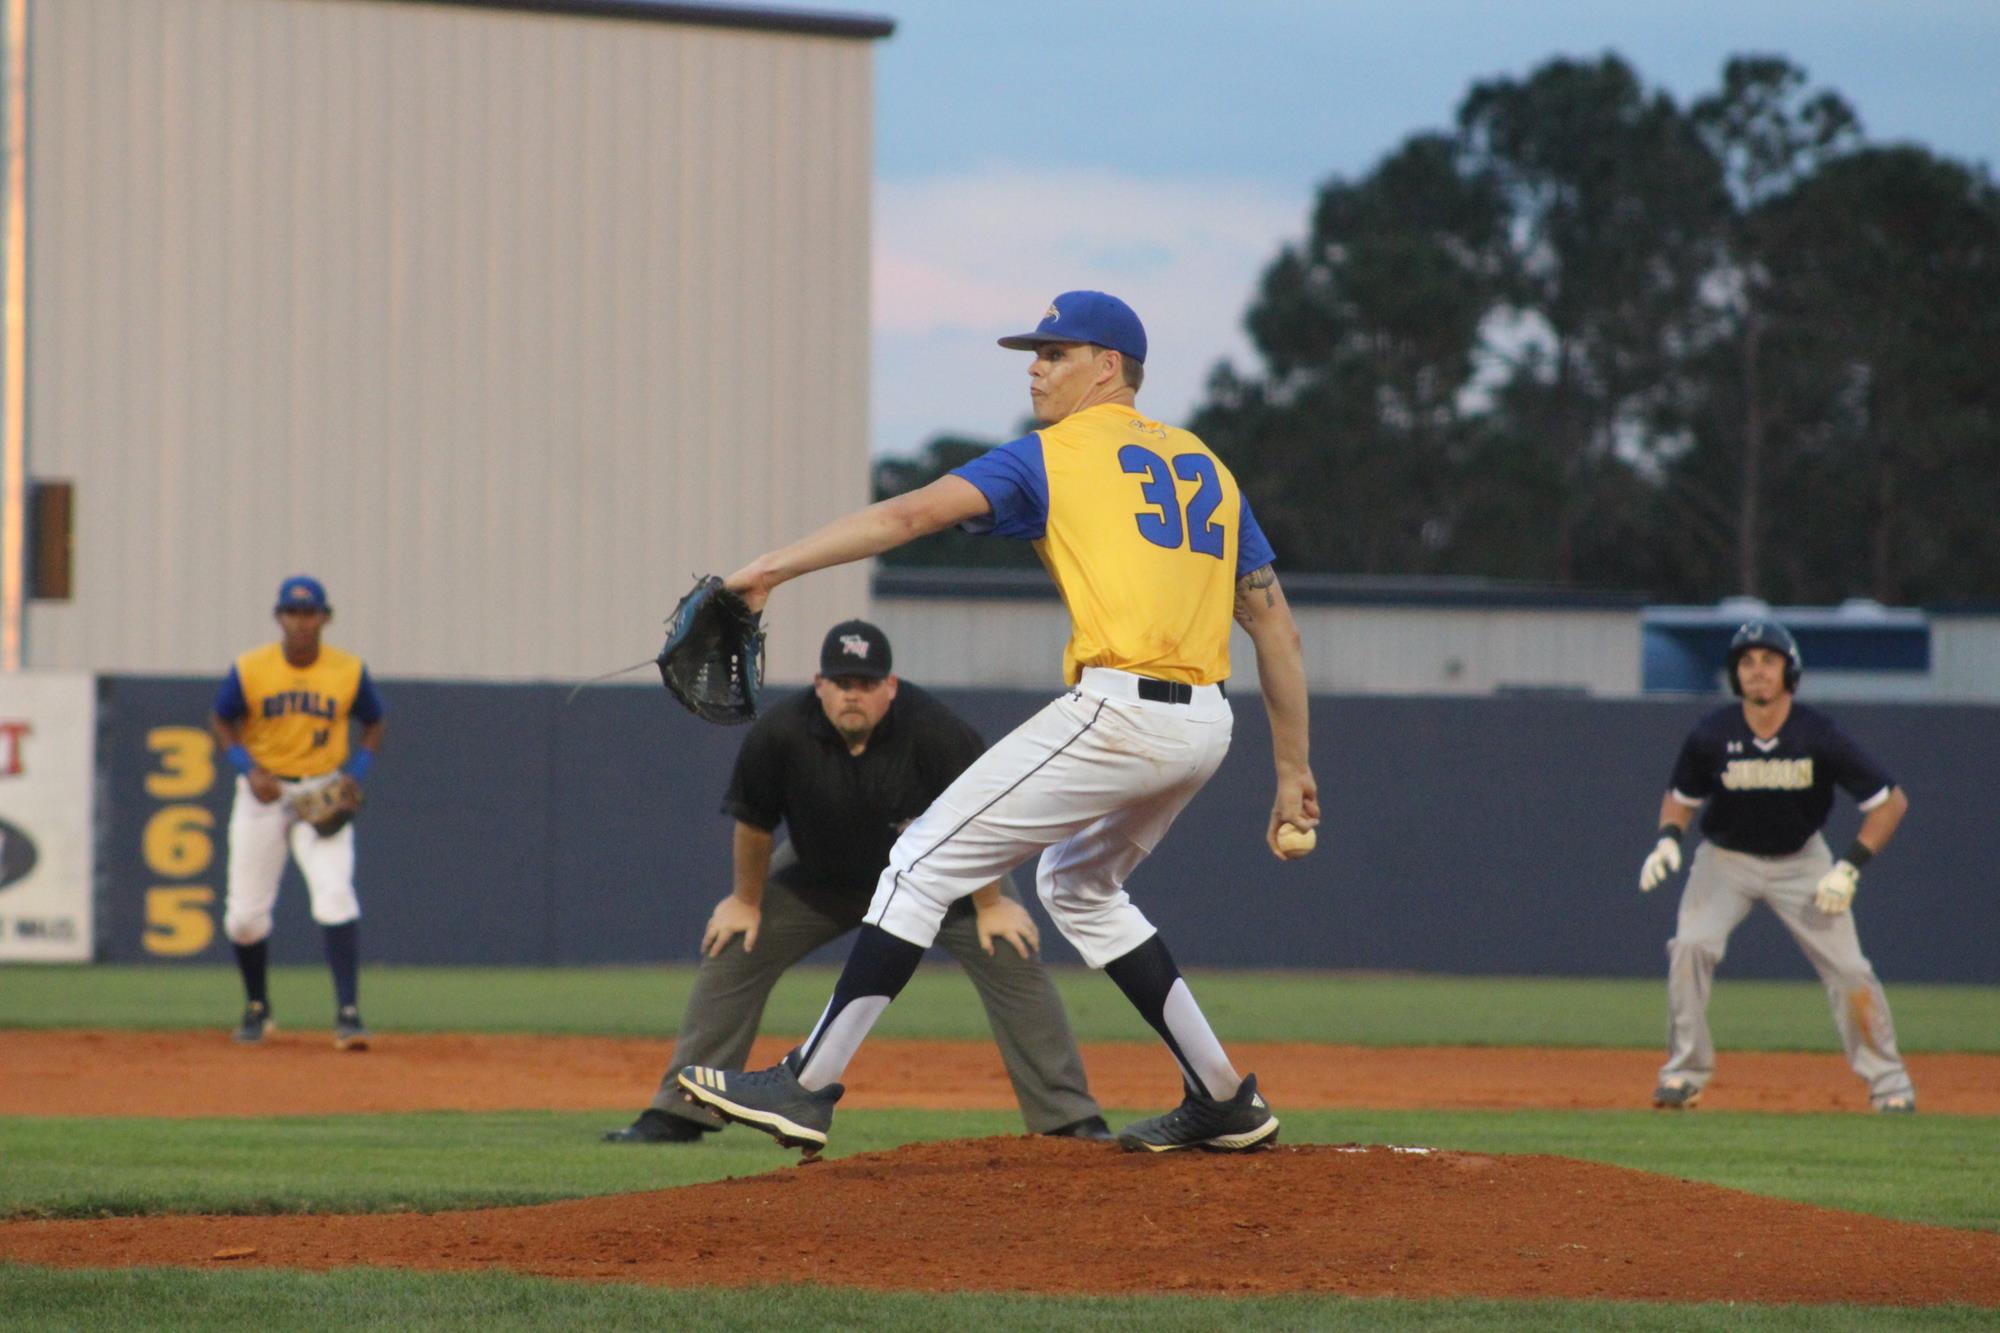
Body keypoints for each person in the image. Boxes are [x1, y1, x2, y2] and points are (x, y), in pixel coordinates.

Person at [675, 290, 1318, 1155]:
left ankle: (808, 1083)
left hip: (1122, 710)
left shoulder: (1055, 455)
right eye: (1035, 352)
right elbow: (1272, 621)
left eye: (1056, 353)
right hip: (1205, 724)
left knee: (915, 862)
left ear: (1109, 368)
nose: (1036, 367)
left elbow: (905, 516)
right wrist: (1292, 770)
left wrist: (767, 570)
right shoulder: (1207, 465)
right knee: (1079, 887)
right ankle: (1223, 1098)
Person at [606, 619, 1110, 1143]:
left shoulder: (936, 731)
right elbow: (754, 823)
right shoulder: (782, 732)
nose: (853, 694)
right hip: (816, 880)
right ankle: (676, 1115)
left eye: (866, 683)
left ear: (890, 688)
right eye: (842, 682)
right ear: (819, 685)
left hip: (933, 880)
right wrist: (745, 901)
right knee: (734, 944)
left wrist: (991, 904)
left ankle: (1069, 1118)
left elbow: (984, 820)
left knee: (1009, 947)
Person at [1638, 618, 1915, 1112]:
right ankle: (1683, 1075)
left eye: (1769, 661)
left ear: (1790, 671)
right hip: (1725, 860)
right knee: (1691, 948)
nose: (1758, 671)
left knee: (1850, 970)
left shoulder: (1817, 735)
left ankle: (1890, 1085)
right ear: (1734, 673)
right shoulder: (1712, 734)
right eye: (1746, 662)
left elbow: (1890, 802)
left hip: (1802, 863)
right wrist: (1667, 840)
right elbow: (1681, 797)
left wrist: (1849, 866)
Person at [209, 575, 386, 1050]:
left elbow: (374, 720)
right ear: (279, 617)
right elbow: (222, 718)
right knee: (244, 918)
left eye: (310, 613)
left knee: (335, 896)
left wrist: (357, 772)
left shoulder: (347, 670)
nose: (301, 621)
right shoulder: (250, 668)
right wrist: (246, 768)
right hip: (263, 793)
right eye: (293, 612)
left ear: (325, 617)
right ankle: (257, 1008)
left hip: (319, 793)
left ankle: (348, 1014)